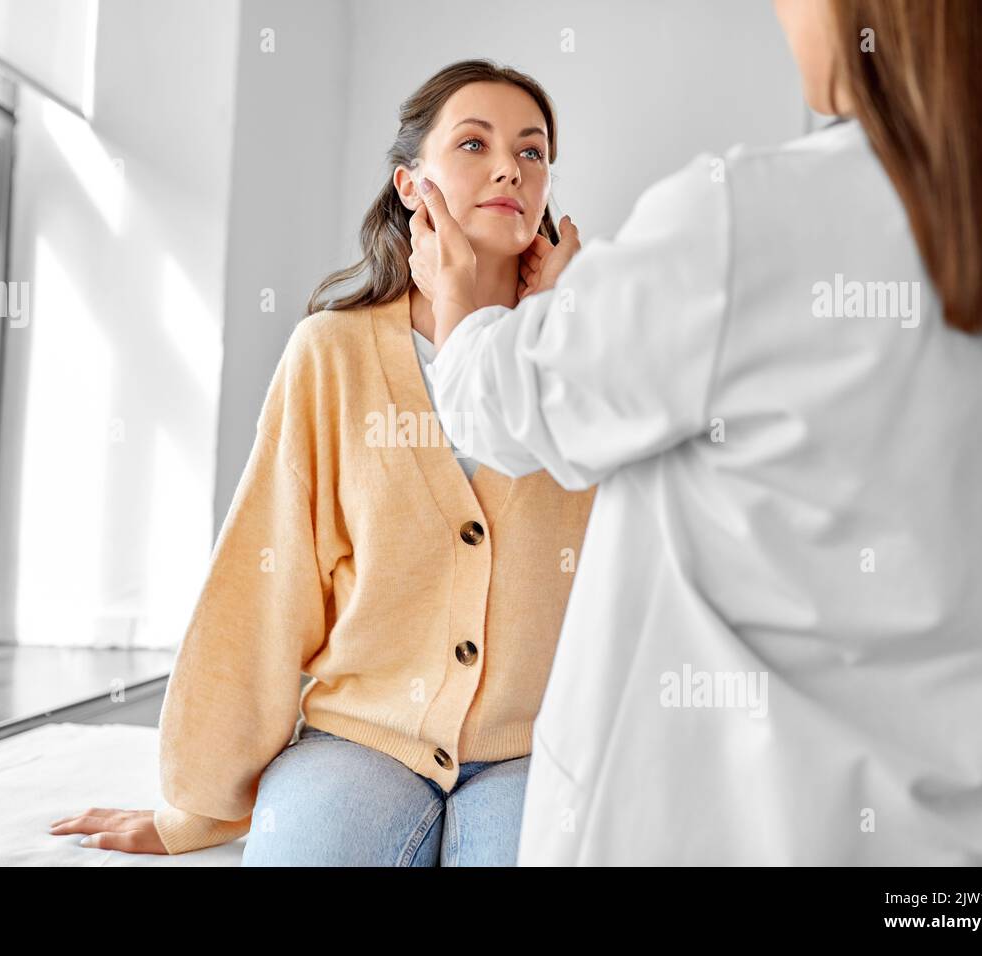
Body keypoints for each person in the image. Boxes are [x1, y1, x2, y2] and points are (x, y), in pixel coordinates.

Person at [416, 0, 982, 864]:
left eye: (531, 149)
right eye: (474, 144)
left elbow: (502, 409)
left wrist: (464, 319)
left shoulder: (747, 218)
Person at [47, 59, 596, 864]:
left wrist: (571, 327)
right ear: (411, 186)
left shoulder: (590, 354)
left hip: (536, 746)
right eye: (474, 144)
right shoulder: (333, 354)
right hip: (362, 739)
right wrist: (196, 805)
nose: (510, 166)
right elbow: (266, 579)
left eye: (534, 151)